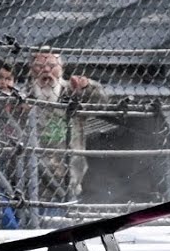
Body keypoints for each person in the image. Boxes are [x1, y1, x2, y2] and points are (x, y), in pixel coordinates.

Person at [26, 52, 110, 201]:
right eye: (40, 65)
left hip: (71, 177)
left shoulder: (73, 91)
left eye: (52, 65)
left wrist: (87, 87)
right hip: (35, 183)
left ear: (62, 68)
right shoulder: (25, 97)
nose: (46, 70)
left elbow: (103, 103)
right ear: (32, 69)